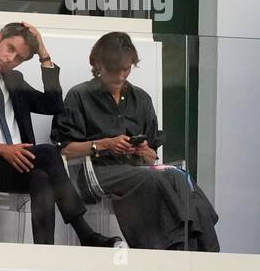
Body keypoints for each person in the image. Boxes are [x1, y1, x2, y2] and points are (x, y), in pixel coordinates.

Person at [0, 22, 119, 247]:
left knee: (41, 178)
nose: (10, 60)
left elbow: (53, 104)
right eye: (10, 48)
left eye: (19, 59)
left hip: (20, 164)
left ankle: (44, 250)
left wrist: (43, 53)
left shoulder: (14, 79)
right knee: (48, 152)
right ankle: (85, 234)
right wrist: (2, 149)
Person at [52, 32, 220, 251]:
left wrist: (143, 150)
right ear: (98, 64)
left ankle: (203, 250)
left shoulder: (141, 98)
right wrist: (104, 144)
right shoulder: (79, 95)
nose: (121, 76)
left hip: (136, 170)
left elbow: (152, 156)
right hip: (95, 171)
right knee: (154, 178)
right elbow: (64, 150)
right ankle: (171, 248)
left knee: (178, 176)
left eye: (127, 68)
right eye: (115, 69)